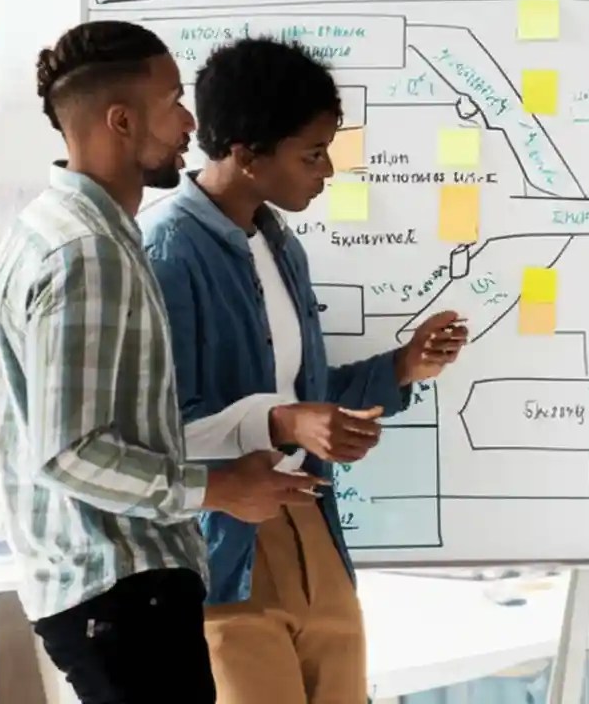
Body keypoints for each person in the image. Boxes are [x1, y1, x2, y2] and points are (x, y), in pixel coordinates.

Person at [0, 21, 324, 704]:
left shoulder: (73, 231)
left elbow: (119, 427)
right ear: (121, 120)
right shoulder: (87, 251)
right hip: (119, 588)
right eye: (173, 100)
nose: (190, 121)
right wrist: (218, 491)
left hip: (114, 590)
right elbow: (70, 453)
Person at [140, 37, 468, 704]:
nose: (328, 171)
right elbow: (158, 433)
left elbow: (306, 396)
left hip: (312, 525)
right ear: (248, 154)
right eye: (312, 153)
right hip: (224, 551)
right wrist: (289, 422)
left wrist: (405, 366)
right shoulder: (167, 252)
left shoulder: (281, 246)